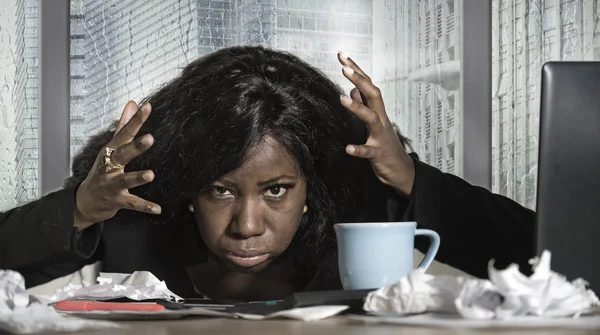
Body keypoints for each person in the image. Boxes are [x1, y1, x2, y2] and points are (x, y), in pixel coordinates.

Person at [0, 46, 535, 300]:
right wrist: (80, 209)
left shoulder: (358, 213)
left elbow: (554, 260)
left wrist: (411, 179)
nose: (248, 225)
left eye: (276, 189)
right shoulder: (136, 210)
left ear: (310, 190)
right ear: (188, 188)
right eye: (221, 189)